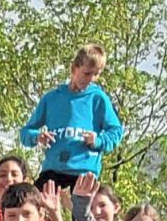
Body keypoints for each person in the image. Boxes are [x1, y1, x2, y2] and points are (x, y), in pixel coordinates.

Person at [19, 43, 124, 189]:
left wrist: (98, 141)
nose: (91, 79)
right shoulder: (51, 98)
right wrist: (37, 137)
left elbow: (116, 131)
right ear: (74, 68)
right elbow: (25, 132)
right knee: (31, 198)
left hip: (84, 173)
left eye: (96, 74)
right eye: (87, 73)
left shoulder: (98, 98)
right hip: (53, 170)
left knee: (84, 202)